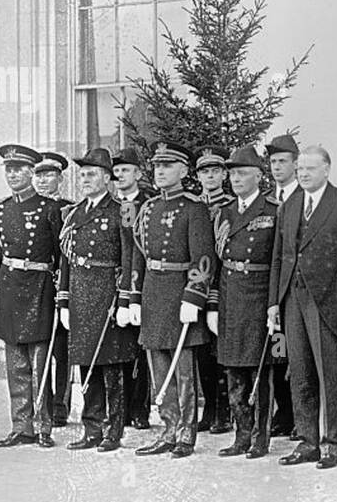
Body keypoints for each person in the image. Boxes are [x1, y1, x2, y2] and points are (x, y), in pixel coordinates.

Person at [267, 145, 337, 469]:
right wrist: (275, 301)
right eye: (300, 169)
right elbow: (279, 257)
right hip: (293, 303)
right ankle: (307, 442)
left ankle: (332, 443)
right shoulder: (289, 206)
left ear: (327, 170)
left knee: (330, 378)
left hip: (330, 305)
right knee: (300, 374)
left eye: (310, 169)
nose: (302, 174)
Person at [120, 142, 215, 459]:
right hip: (152, 292)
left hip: (179, 293)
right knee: (159, 365)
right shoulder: (147, 210)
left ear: (184, 171)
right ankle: (168, 428)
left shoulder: (194, 208)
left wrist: (194, 296)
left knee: (183, 369)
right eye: (157, 166)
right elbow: (137, 255)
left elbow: (203, 257)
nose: (160, 171)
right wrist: (134, 298)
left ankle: (186, 433)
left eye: (168, 166)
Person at [56, 147, 137, 452]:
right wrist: (63, 300)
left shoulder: (121, 211)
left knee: (111, 367)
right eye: (83, 174)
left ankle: (113, 431)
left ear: (107, 178)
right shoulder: (74, 213)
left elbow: (130, 259)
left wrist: (126, 300)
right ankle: (91, 428)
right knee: (85, 364)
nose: (86, 179)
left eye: (92, 174)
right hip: (79, 296)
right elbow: (65, 260)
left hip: (108, 296)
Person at [0, 143, 63, 449]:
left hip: (40, 287)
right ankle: (21, 427)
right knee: (15, 364)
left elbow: (61, 256)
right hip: (10, 287)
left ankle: (43, 427)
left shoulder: (50, 209)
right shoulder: (0, 209)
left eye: (19, 169)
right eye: (8, 169)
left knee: (40, 364)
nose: (13, 174)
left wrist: (62, 293)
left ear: (32, 172)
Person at [209, 145, 280, 460]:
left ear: (259, 176)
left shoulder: (273, 210)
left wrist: (275, 303)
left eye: (242, 173)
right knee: (233, 370)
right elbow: (215, 261)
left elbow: (280, 262)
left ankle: (260, 438)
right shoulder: (224, 212)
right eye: (233, 173)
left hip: (259, 294)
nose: (235, 179)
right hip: (230, 294)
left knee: (259, 370)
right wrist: (212, 303)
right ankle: (241, 436)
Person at [112, 148, 156, 430]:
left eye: (125, 170)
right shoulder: (112, 205)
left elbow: (135, 251)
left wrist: (132, 293)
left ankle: (140, 410)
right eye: (116, 171)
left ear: (138, 174)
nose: (119, 176)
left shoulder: (147, 205)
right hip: (115, 287)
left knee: (140, 352)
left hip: (140, 287)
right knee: (120, 349)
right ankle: (121, 408)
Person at [193, 146, 233, 435]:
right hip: (196, 286)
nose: (210, 176)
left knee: (220, 351)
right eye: (204, 172)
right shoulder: (193, 207)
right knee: (201, 352)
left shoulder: (230, 206)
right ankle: (209, 408)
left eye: (215, 171)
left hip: (222, 288)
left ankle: (224, 410)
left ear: (224, 174)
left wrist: (215, 292)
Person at [264, 132, 301, 439]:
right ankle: (283, 412)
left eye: (282, 161)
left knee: (298, 356)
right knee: (277, 352)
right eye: (273, 161)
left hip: (298, 292)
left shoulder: (305, 197)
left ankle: (298, 415)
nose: (277, 167)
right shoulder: (268, 200)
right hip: (272, 288)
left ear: (295, 163)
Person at [33, 151, 73, 427]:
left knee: (63, 350)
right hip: (36, 285)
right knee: (41, 347)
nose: (43, 180)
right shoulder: (29, 207)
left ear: (60, 177)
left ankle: (61, 405)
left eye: (48, 174)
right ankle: (43, 403)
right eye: (39, 174)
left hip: (62, 284)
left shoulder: (69, 210)